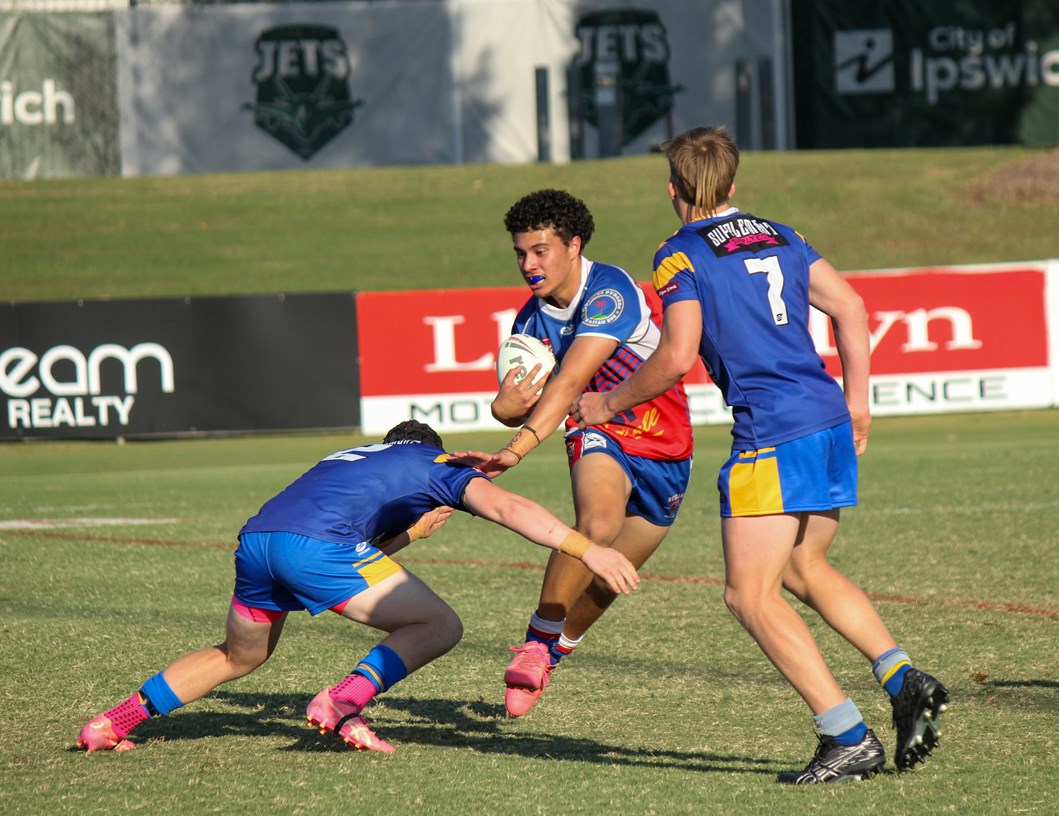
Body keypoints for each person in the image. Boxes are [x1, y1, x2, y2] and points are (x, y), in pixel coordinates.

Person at [572, 126, 948, 783]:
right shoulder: (782, 234)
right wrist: (859, 402)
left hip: (772, 432)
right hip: (826, 418)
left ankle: (846, 736)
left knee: (748, 596)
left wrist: (607, 404)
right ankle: (903, 680)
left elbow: (677, 356)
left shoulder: (678, 254)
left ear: (673, 189)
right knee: (804, 567)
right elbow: (851, 306)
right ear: (734, 183)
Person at [75, 420, 640, 754]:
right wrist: (588, 549)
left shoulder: (349, 458)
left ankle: (112, 723)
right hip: (315, 548)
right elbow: (509, 507)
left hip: (259, 542)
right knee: (440, 624)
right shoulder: (436, 463)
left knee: (238, 656)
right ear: (431, 446)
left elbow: (338, 550)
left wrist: (411, 533)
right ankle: (343, 700)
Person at [463, 189, 693, 718]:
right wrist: (505, 410)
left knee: (609, 581)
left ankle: (553, 651)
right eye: (521, 253)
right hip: (597, 430)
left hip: (666, 442)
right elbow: (543, 400)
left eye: (540, 251)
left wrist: (515, 444)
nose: (528, 264)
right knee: (597, 524)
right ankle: (536, 642)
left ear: (573, 245)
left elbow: (568, 380)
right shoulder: (528, 323)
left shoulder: (610, 291)